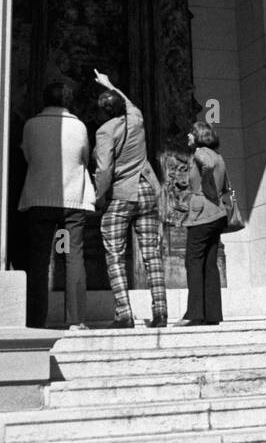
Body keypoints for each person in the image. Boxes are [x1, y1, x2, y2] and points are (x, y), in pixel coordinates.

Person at [18, 80, 95, 330]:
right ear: (69, 102)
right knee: (74, 256)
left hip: (39, 197)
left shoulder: (31, 125)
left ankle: (35, 319)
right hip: (73, 197)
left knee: (38, 261)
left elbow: (27, 155)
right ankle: (76, 319)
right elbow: (85, 157)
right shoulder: (79, 126)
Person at [93, 69, 167, 329]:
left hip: (123, 194)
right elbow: (130, 104)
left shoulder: (105, 131)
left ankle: (124, 312)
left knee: (114, 253)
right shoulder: (136, 119)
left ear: (103, 111)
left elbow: (103, 170)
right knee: (152, 254)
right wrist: (110, 84)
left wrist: (98, 198)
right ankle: (161, 312)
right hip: (147, 189)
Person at [177, 121, 228, 327]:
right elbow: (226, 186)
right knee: (209, 263)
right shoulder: (219, 156)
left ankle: (194, 313)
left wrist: (206, 188)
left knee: (194, 262)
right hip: (218, 214)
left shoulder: (200, 153)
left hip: (202, 214)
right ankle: (212, 314)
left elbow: (205, 166)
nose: (188, 136)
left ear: (199, 136)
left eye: (191, 133)